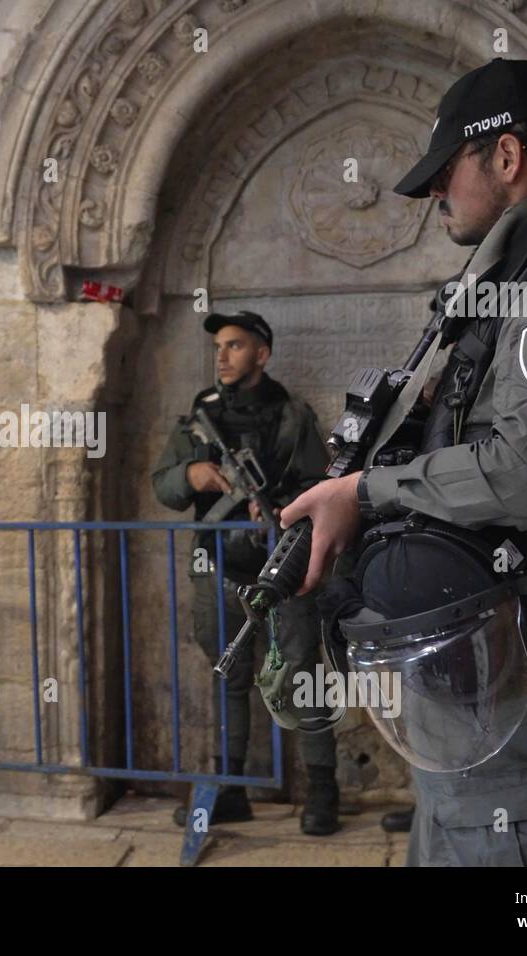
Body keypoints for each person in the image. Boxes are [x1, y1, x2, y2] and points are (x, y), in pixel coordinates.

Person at [280, 58, 527, 866]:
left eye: (445, 172)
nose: (434, 196)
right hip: (486, 665)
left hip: (519, 666)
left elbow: (525, 476)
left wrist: (367, 489)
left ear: (505, 158)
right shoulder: (519, 275)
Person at [152, 310, 341, 834]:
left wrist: (279, 507)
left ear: (262, 353)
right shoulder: (201, 415)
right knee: (228, 675)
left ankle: (322, 790)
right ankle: (230, 788)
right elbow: (162, 486)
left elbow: (319, 489)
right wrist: (191, 473)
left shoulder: (291, 415)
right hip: (217, 566)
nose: (222, 355)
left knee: (301, 673)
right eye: (219, 346)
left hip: (283, 569)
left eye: (235, 345)